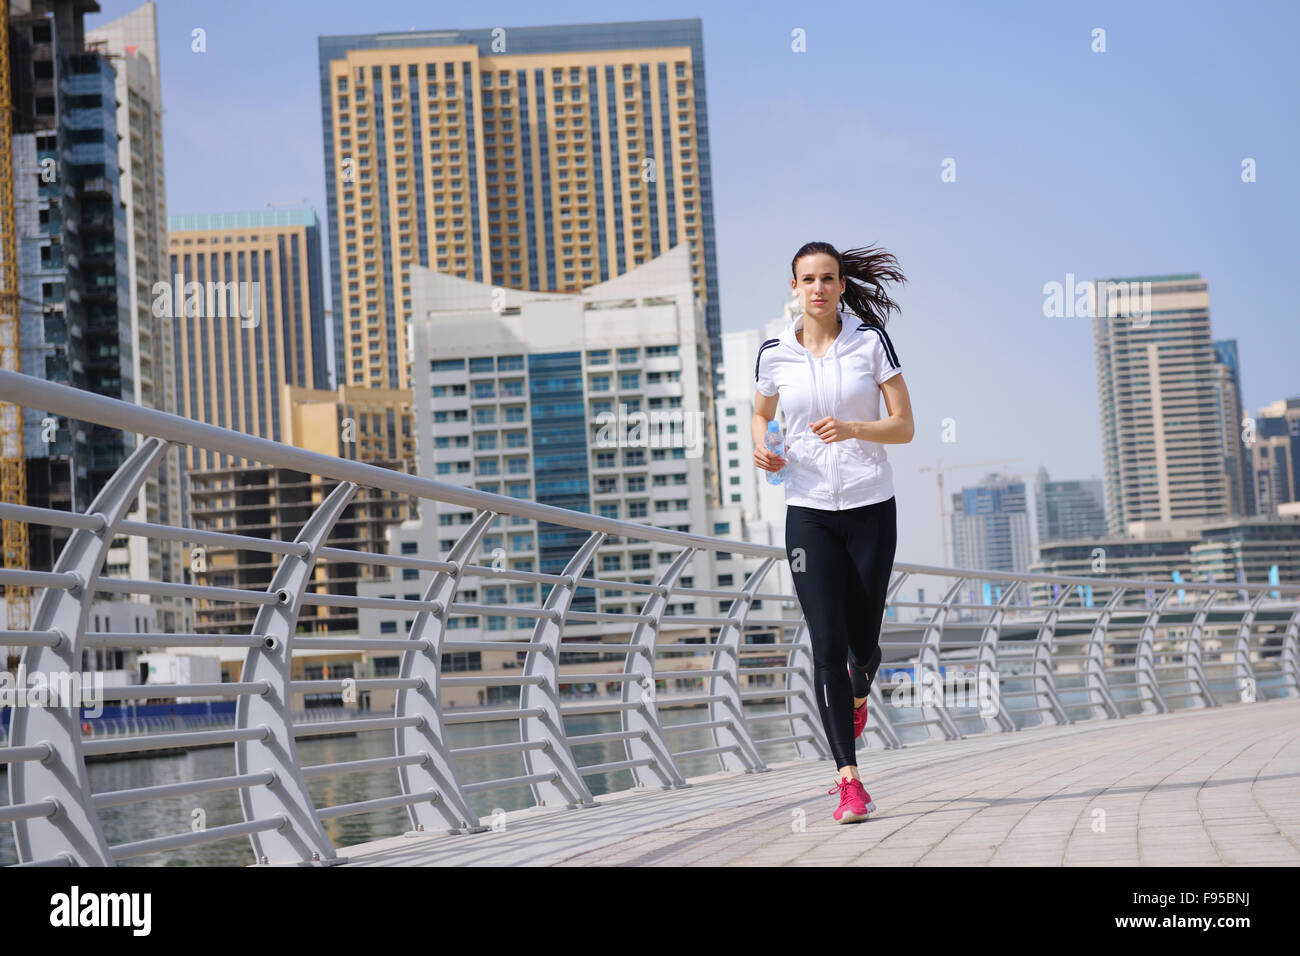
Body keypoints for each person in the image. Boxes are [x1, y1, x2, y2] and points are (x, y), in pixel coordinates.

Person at [753, 242, 913, 823]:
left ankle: (861, 689)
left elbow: (905, 426)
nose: (817, 288)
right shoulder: (773, 354)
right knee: (824, 641)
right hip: (808, 511)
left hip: (871, 505)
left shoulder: (870, 343)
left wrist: (851, 427)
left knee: (862, 641)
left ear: (842, 285)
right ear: (794, 287)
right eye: (807, 280)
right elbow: (761, 414)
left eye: (827, 278)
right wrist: (761, 447)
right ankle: (849, 780)